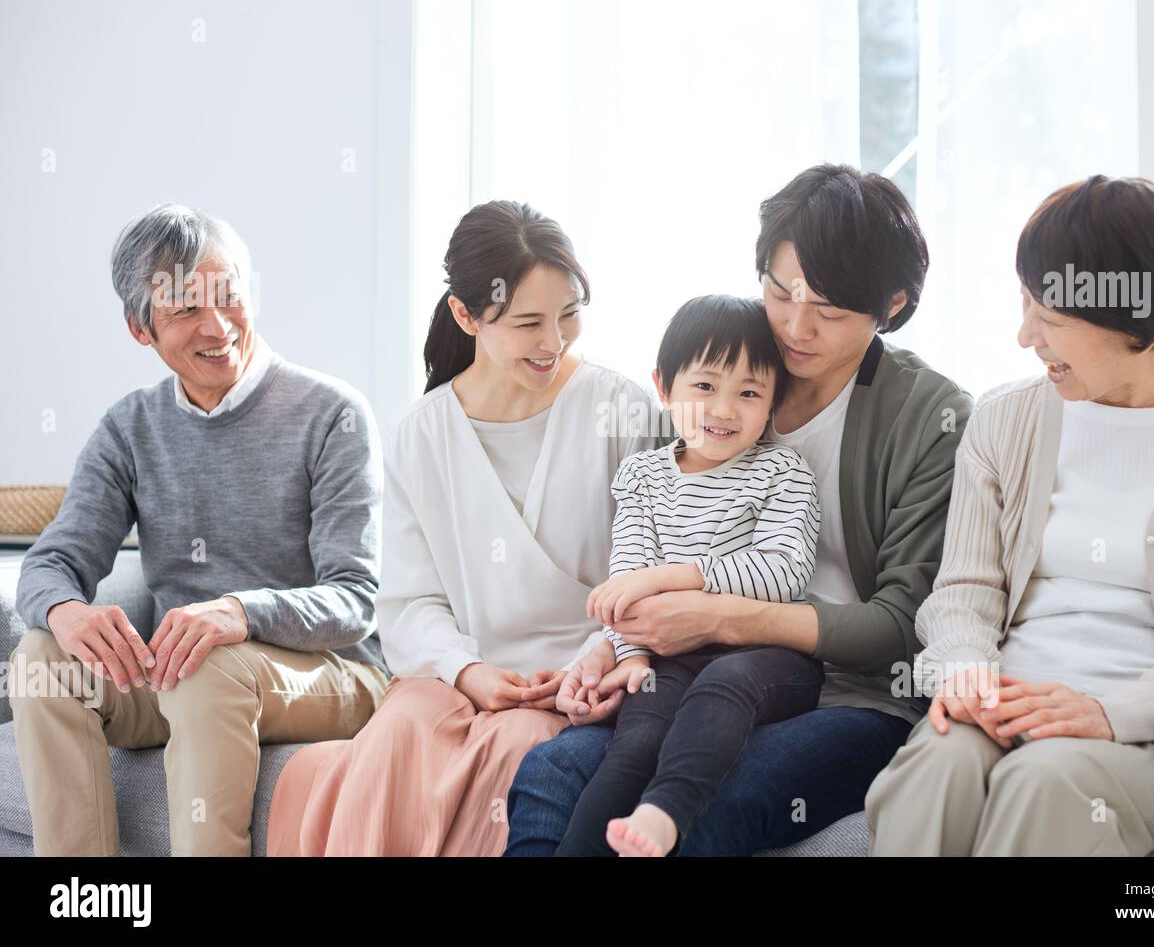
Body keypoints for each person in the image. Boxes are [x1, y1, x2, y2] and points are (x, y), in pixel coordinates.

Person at [507, 164, 972, 856]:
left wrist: (719, 614)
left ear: (893, 306)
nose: (795, 325)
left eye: (832, 310)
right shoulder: (724, 369)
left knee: (713, 799)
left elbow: (901, 626)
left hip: (852, 696)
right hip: (685, 673)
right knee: (550, 773)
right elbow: (651, 554)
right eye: (781, 292)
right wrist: (609, 648)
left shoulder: (928, 415)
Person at [865, 176, 1154, 856]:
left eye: (1052, 318)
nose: (1024, 335)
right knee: (938, 766)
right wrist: (966, 674)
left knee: (1045, 779)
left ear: (1143, 325)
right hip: (1012, 703)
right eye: (1024, 303)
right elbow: (964, 593)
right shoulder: (1006, 420)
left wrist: (1109, 712)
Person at [266, 200, 662, 855]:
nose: (555, 341)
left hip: (583, 680)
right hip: (457, 675)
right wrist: (466, 668)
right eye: (529, 322)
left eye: (568, 315)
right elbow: (410, 601)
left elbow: (653, 568)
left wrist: (599, 655)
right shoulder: (422, 433)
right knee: (396, 735)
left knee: (518, 747)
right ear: (465, 315)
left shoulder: (620, 410)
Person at [9, 203, 387, 856]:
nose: (218, 327)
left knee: (208, 668)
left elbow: (354, 598)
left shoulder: (333, 415)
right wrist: (66, 609)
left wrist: (239, 611)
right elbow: (50, 562)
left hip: (330, 673)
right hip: (182, 674)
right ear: (140, 327)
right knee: (41, 658)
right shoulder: (129, 429)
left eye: (229, 297)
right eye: (186, 310)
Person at [556, 295, 824, 856]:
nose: (724, 410)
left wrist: (668, 578)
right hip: (667, 654)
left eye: (749, 393)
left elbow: (784, 573)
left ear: (774, 400)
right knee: (638, 738)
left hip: (766, 653)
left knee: (723, 686)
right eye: (704, 387)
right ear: (664, 386)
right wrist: (630, 654)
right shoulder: (643, 476)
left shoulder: (782, 470)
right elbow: (626, 573)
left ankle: (664, 813)